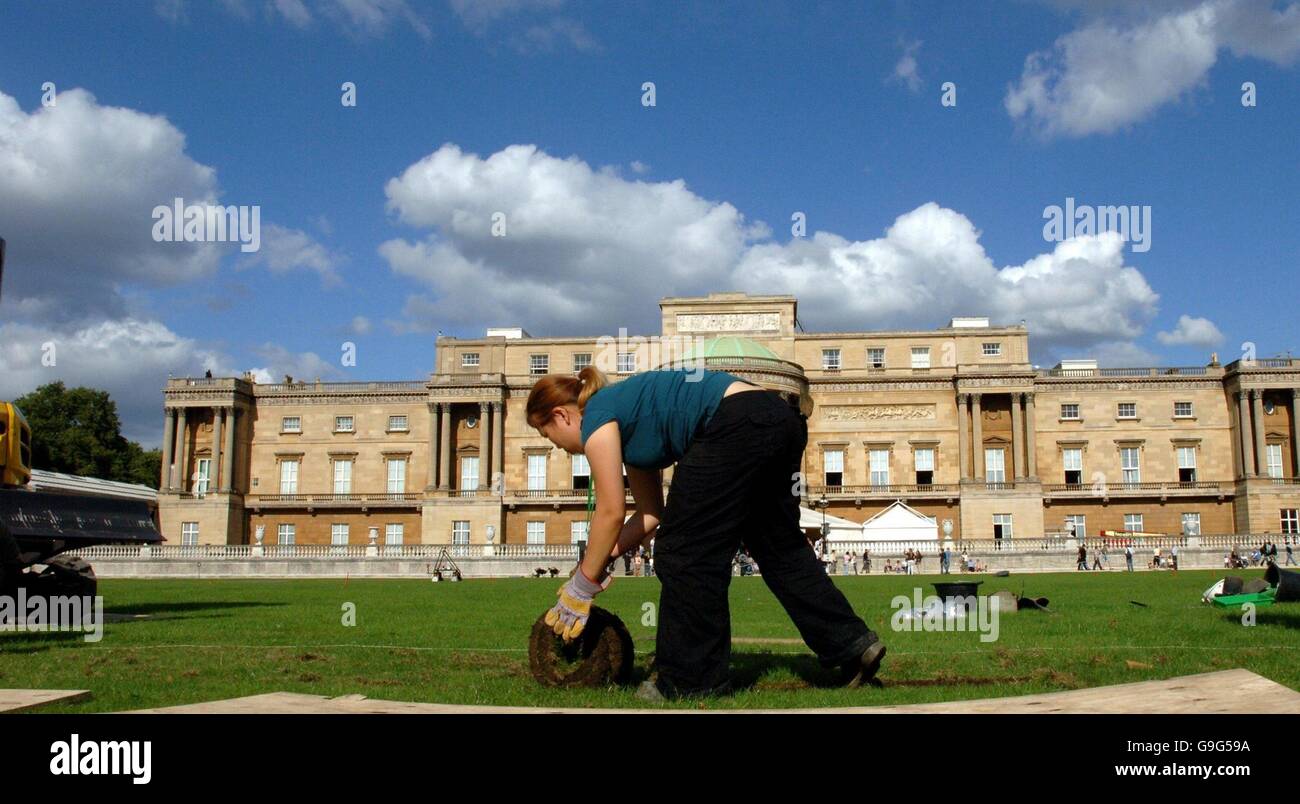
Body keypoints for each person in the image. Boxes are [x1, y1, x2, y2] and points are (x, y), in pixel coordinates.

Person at [528, 365, 885, 700]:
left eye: (548, 434)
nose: (555, 445)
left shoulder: (597, 413)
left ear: (561, 415)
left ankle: (690, 680)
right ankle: (851, 644)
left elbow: (609, 511)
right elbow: (651, 514)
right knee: (779, 547)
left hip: (735, 423)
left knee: (683, 552)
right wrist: (602, 559)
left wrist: (581, 585)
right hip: (779, 418)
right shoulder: (628, 417)